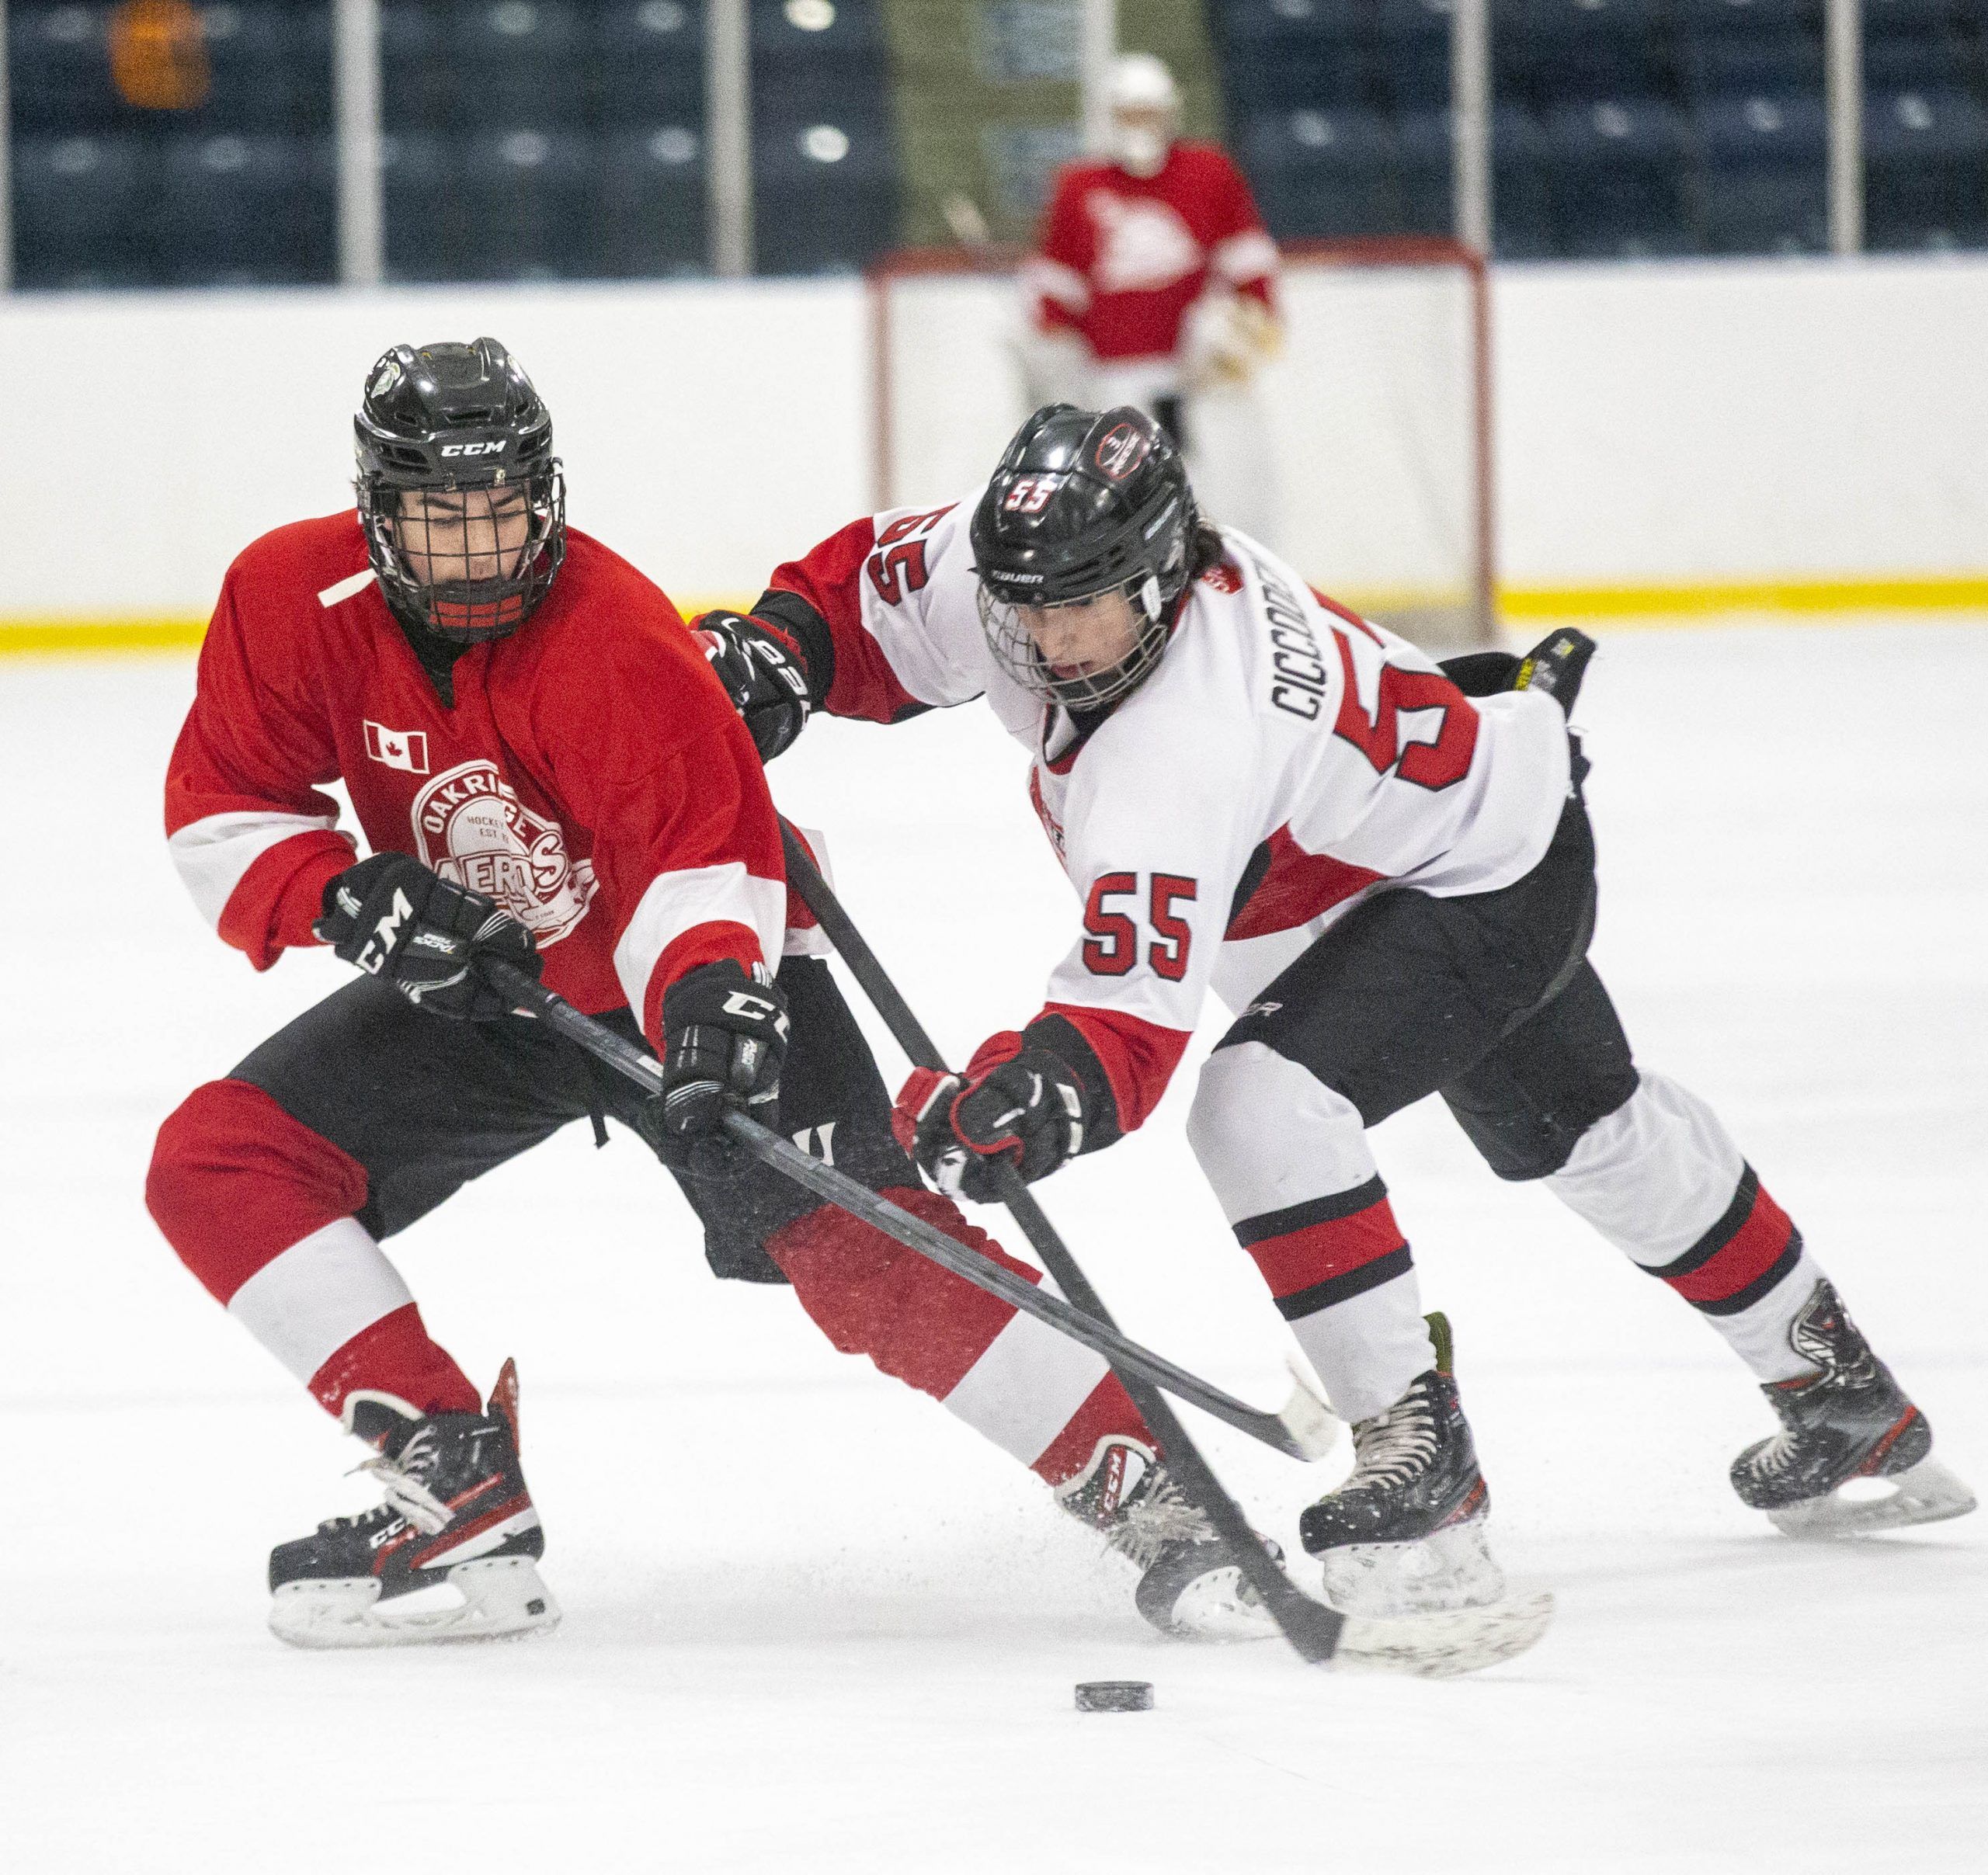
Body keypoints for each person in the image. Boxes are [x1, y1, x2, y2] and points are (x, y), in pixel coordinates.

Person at [696, 404, 1976, 1616]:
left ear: (1156, 581)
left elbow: (1124, 1032)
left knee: (1263, 1110)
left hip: (1476, 881)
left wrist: (1029, 1099)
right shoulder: (1030, 559)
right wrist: (777, 656)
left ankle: (1419, 1467)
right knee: (1593, 1131)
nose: (1046, 643)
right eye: (1021, 610)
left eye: (1080, 610)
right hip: (1431, 833)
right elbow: (865, 595)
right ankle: (1841, 1390)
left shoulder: (1183, 736)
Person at [144, 342, 1253, 1650]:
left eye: (501, 511)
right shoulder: (289, 594)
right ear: (378, 511)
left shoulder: (612, 629)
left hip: (687, 967)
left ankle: (1154, 1487)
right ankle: (454, 1476)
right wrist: (342, 895)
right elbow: (225, 803)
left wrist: (716, 1005)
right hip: (493, 987)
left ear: (544, 497)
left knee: (854, 1248)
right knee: (221, 1162)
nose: (476, 549)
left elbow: (698, 857)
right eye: (440, 519)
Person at [1020, 53, 1281, 536]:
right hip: (1114, 375)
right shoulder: (1080, 185)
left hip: (1201, 375)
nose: (1141, 125)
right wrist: (1050, 344)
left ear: (1170, 113)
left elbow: (1249, 260)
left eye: (1150, 112)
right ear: (1107, 116)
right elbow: (1057, 285)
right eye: (1129, 114)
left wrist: (1253, 324)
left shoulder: (1209, 172)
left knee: (1225, 493)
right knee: (1121, 505)